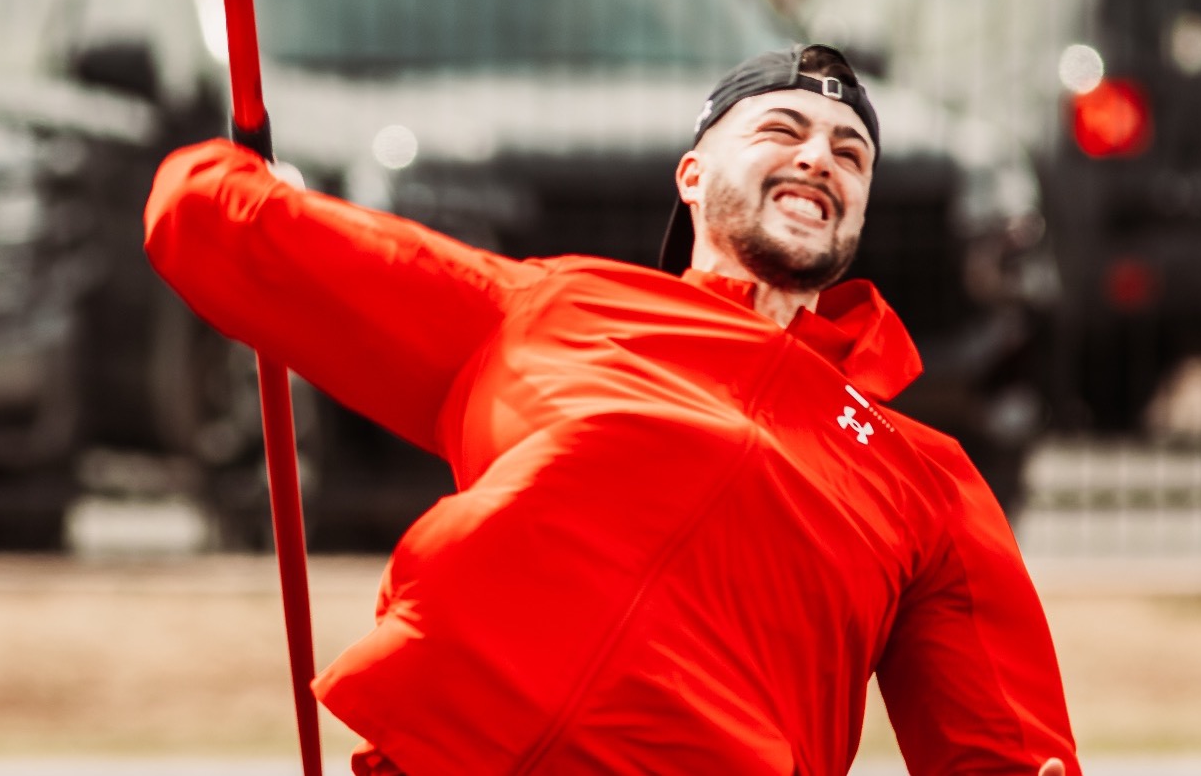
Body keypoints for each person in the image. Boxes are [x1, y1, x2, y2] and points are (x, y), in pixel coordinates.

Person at [144, 43, 1077, 776]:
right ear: (691, 175)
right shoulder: (549, 306)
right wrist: (242, 174)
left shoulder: (920, 476)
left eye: (851, 154)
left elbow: (1002, 745)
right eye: (780, 130)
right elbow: (206, 224)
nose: (818, 158)